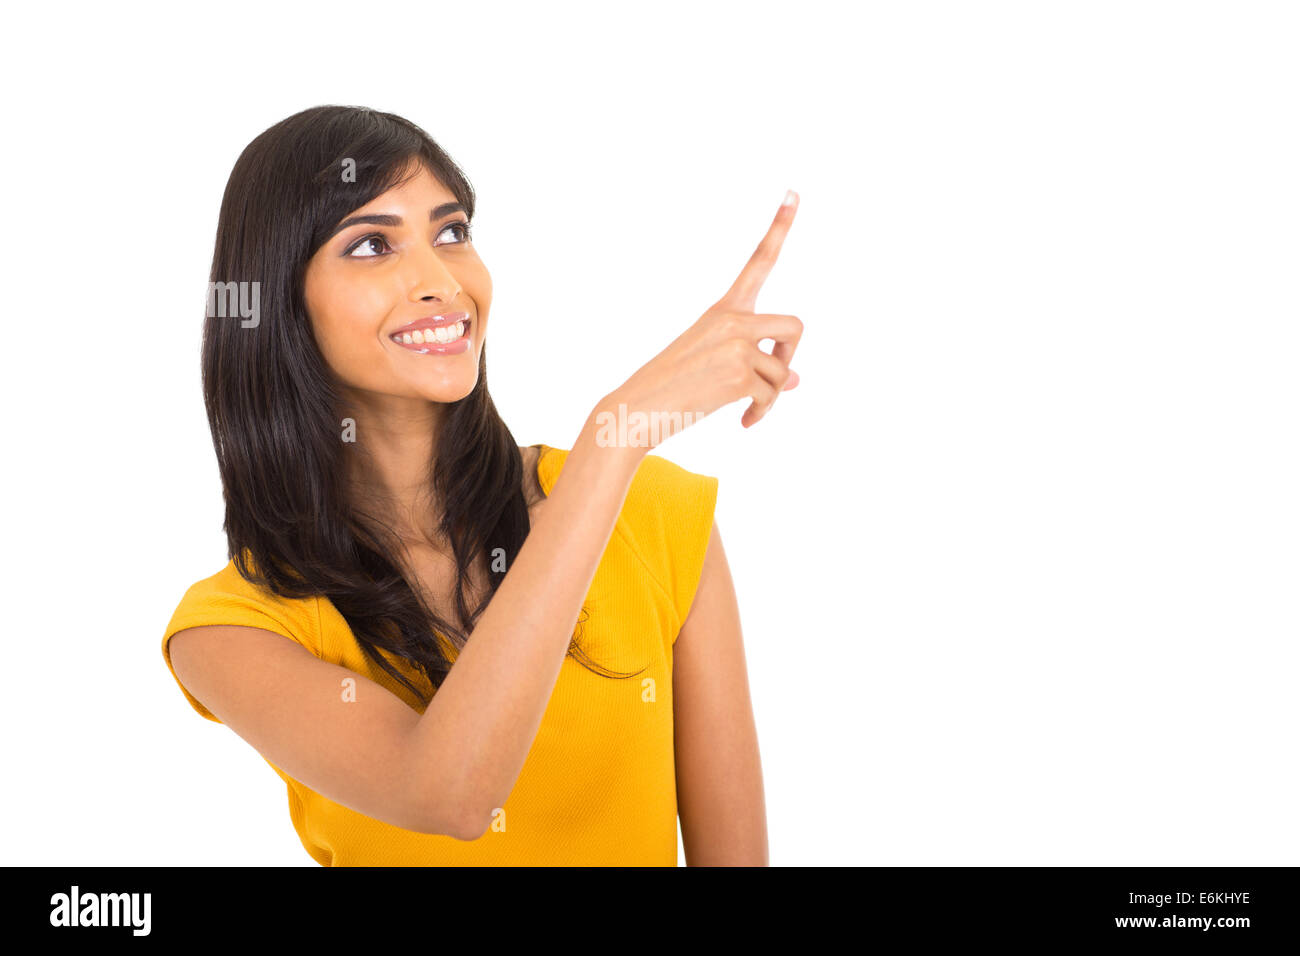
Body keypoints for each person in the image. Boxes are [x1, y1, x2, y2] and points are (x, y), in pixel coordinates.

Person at [162, 105, 802, 865]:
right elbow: (449, 793)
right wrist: (614, 435)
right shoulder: (232, 627)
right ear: (276, 302)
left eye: (452, 232)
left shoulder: (655, 514)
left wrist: (610, 457)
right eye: (371, 244)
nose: (439, 281)